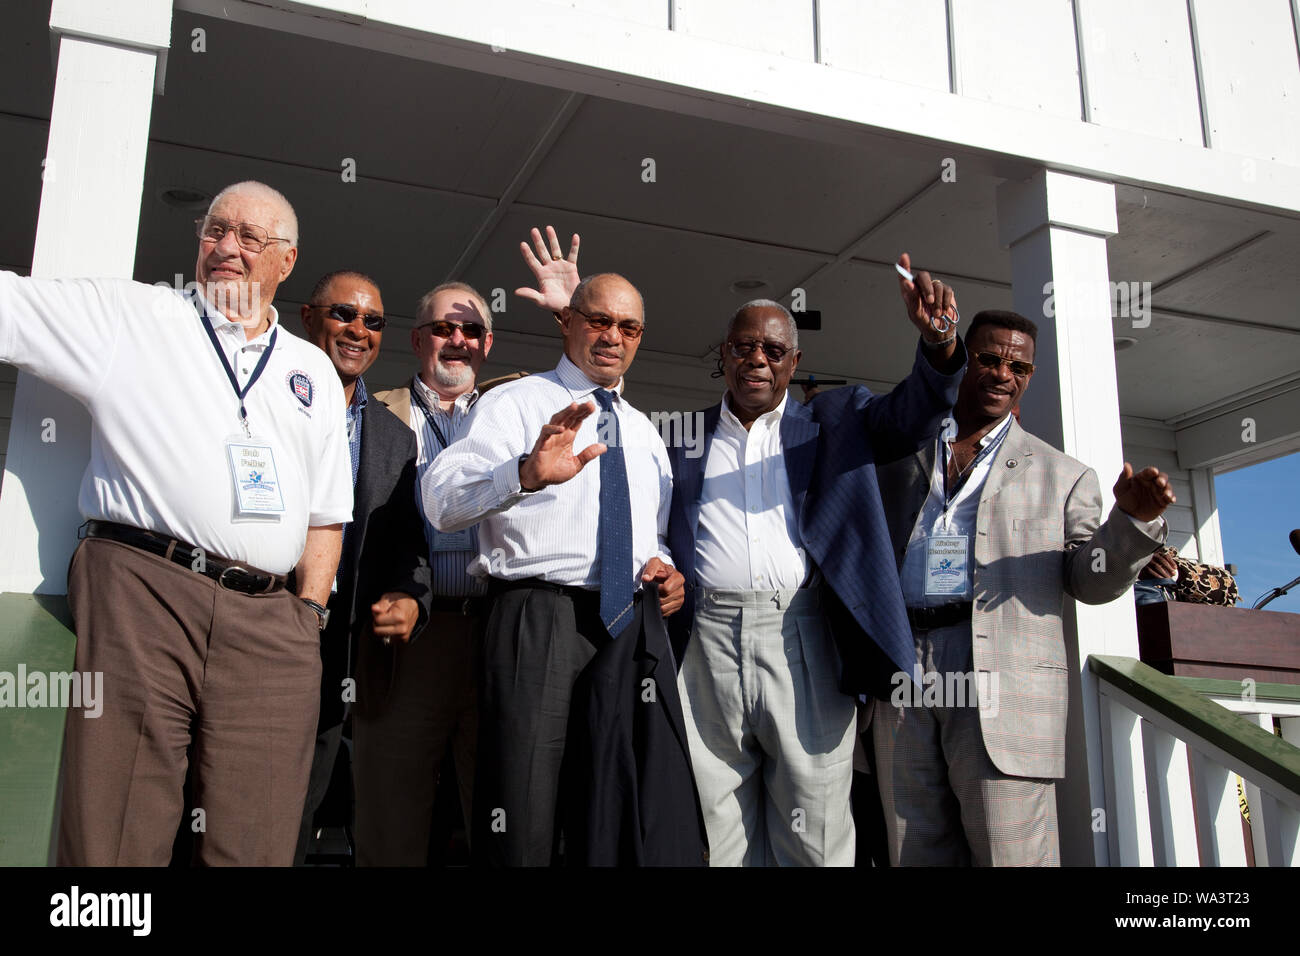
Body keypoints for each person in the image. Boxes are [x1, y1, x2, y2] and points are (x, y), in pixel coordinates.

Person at [0, 181, 353, 865]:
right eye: (214, 230)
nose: (226, 247)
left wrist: (305, 617)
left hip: (271, 623)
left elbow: (326, 517)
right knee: (116, 827)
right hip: (142, 594)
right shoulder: (130, 316)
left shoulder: (311, 368)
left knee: (257, 837)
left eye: (250, 238)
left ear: (286, 261)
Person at [664, 257, 967, 866]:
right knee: (713, 826)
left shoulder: (836, 420)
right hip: (703, 644)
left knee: (816, 828)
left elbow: (912, 414)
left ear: (794, 364)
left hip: (802, 639)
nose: (758, 359)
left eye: (774, 351)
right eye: (745, 347)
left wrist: (938, 345)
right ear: (724, 354)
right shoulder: (679, 436)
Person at [874, 308, 1175, 866]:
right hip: (902, 664)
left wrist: (1130, 526)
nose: (1002, 374)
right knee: (913, 850)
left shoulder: (1064, 475)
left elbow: (1089, 580)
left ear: (1029, 377)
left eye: (1018, 366)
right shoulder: (904, 450)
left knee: (1009, 855)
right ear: (965, 360)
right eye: (989, 359)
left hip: (1002, 678)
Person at [423, 228, 687, 866]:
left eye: (629, 328)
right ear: (568, 321)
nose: (613, 337)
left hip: (627, 627)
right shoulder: (516, 402)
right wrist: (523, 474)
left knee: (609, 811)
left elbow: (650, 535)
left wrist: (666, 570)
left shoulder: (648, 434)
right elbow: (440, 502)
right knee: (522, 812)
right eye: (599, 320)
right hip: (535, 621)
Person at [293, 270, 432, 864]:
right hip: (260, 626)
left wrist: (410, 597)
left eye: (373, 321)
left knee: (302, 803)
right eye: (343, 314)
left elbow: (408, 545)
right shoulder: (267, 398)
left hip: (337, 652)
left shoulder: (396, 438)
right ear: (308, 317)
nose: (358, 330)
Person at [357, 281, 495, 865]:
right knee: (392, 814)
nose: (456, 341)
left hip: (493, 632)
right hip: (406, 637)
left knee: (498, 812)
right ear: (418, 340)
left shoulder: (508, 414)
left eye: (469, 331)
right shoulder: (372, 411)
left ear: (487, 345)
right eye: (443, 329)